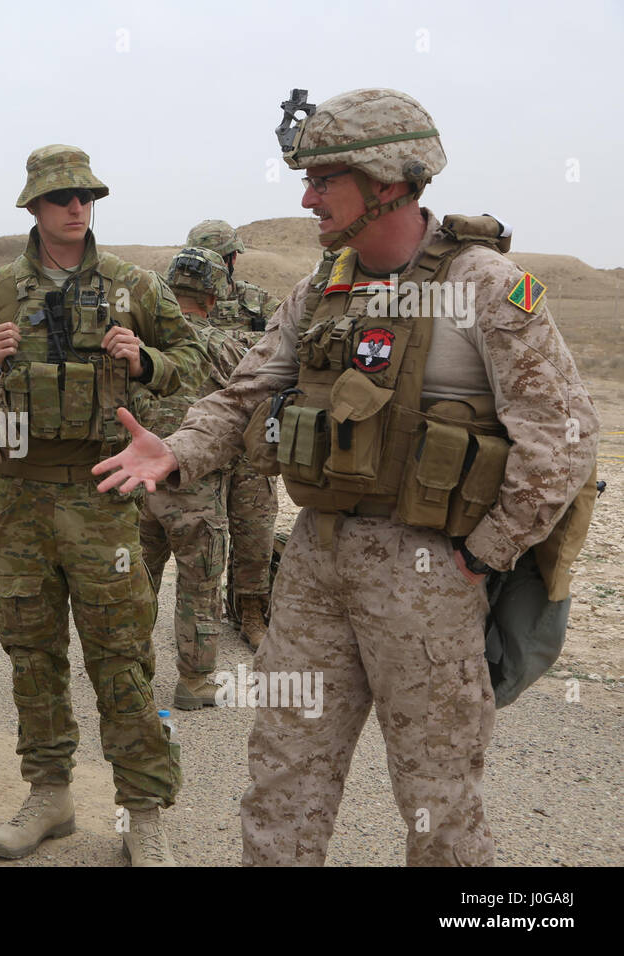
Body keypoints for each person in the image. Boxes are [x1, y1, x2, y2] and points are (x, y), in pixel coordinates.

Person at [95, 88, 599, 865]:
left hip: (431, 573)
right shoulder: (322, 288)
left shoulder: (490, 287)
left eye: (324, 179)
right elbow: (243, 396)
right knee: (282, 779)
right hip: (314, 563)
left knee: (439, 800)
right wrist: (177, 449)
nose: (306, 198)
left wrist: (485, 555)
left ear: (389, 183)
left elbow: (563, 441)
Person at [0, 144, 210, 866]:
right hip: (22, 497)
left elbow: (197, 359)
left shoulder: (131, 286)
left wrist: (144, 360)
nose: (75, 206)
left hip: (102, 496)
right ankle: (49, 792)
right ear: (33, 206)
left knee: (121, 656)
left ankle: (144, 812)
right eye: (61, 196)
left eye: (85, 195)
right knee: (30, 650)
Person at [139, 247, 249, 709]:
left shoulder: (141, 344)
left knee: (136, 580)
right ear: (214, 295)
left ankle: (131, 672)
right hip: (196, 489)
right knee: (200, 583)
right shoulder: (223, 346)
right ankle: (196, 680)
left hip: (139, 484)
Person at [183, 219, 281, 649]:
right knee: (201, 536)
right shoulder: (176, 309)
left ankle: (252, 611)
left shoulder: (258, 303)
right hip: (199, 437)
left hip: (249, 440)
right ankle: (198, 625)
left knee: (255, 527)